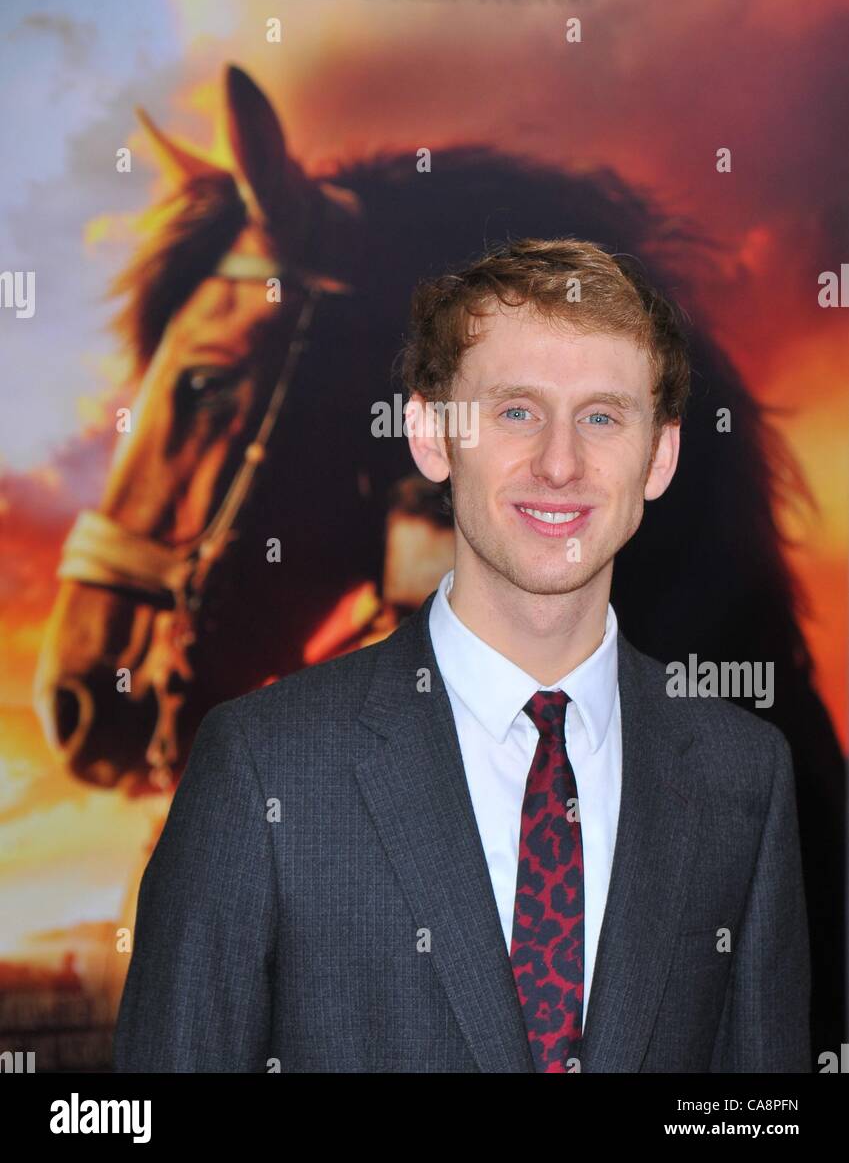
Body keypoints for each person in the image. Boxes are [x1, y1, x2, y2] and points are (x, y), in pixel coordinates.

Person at [112, 236, 811, 1073]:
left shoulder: (744, 775)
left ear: (658, 456)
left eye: (601, 416)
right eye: (515, 411)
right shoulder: (262, 769)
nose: (560, 463)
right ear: (430, 436)